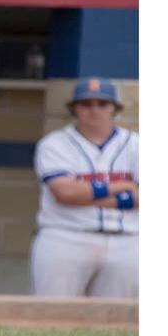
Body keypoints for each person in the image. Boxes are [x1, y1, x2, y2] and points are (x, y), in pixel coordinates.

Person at [32, 77, 138, 298]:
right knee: (52, 315)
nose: (94, 110)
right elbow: (65, 193)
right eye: (86, 104)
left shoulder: (138, 145)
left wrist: (86, 193)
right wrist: (122, 188)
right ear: (74, 108)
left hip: (128, 240)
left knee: (116, 322)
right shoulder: (55, 144)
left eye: (102, 104)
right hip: (65, 238)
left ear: (115, 108)